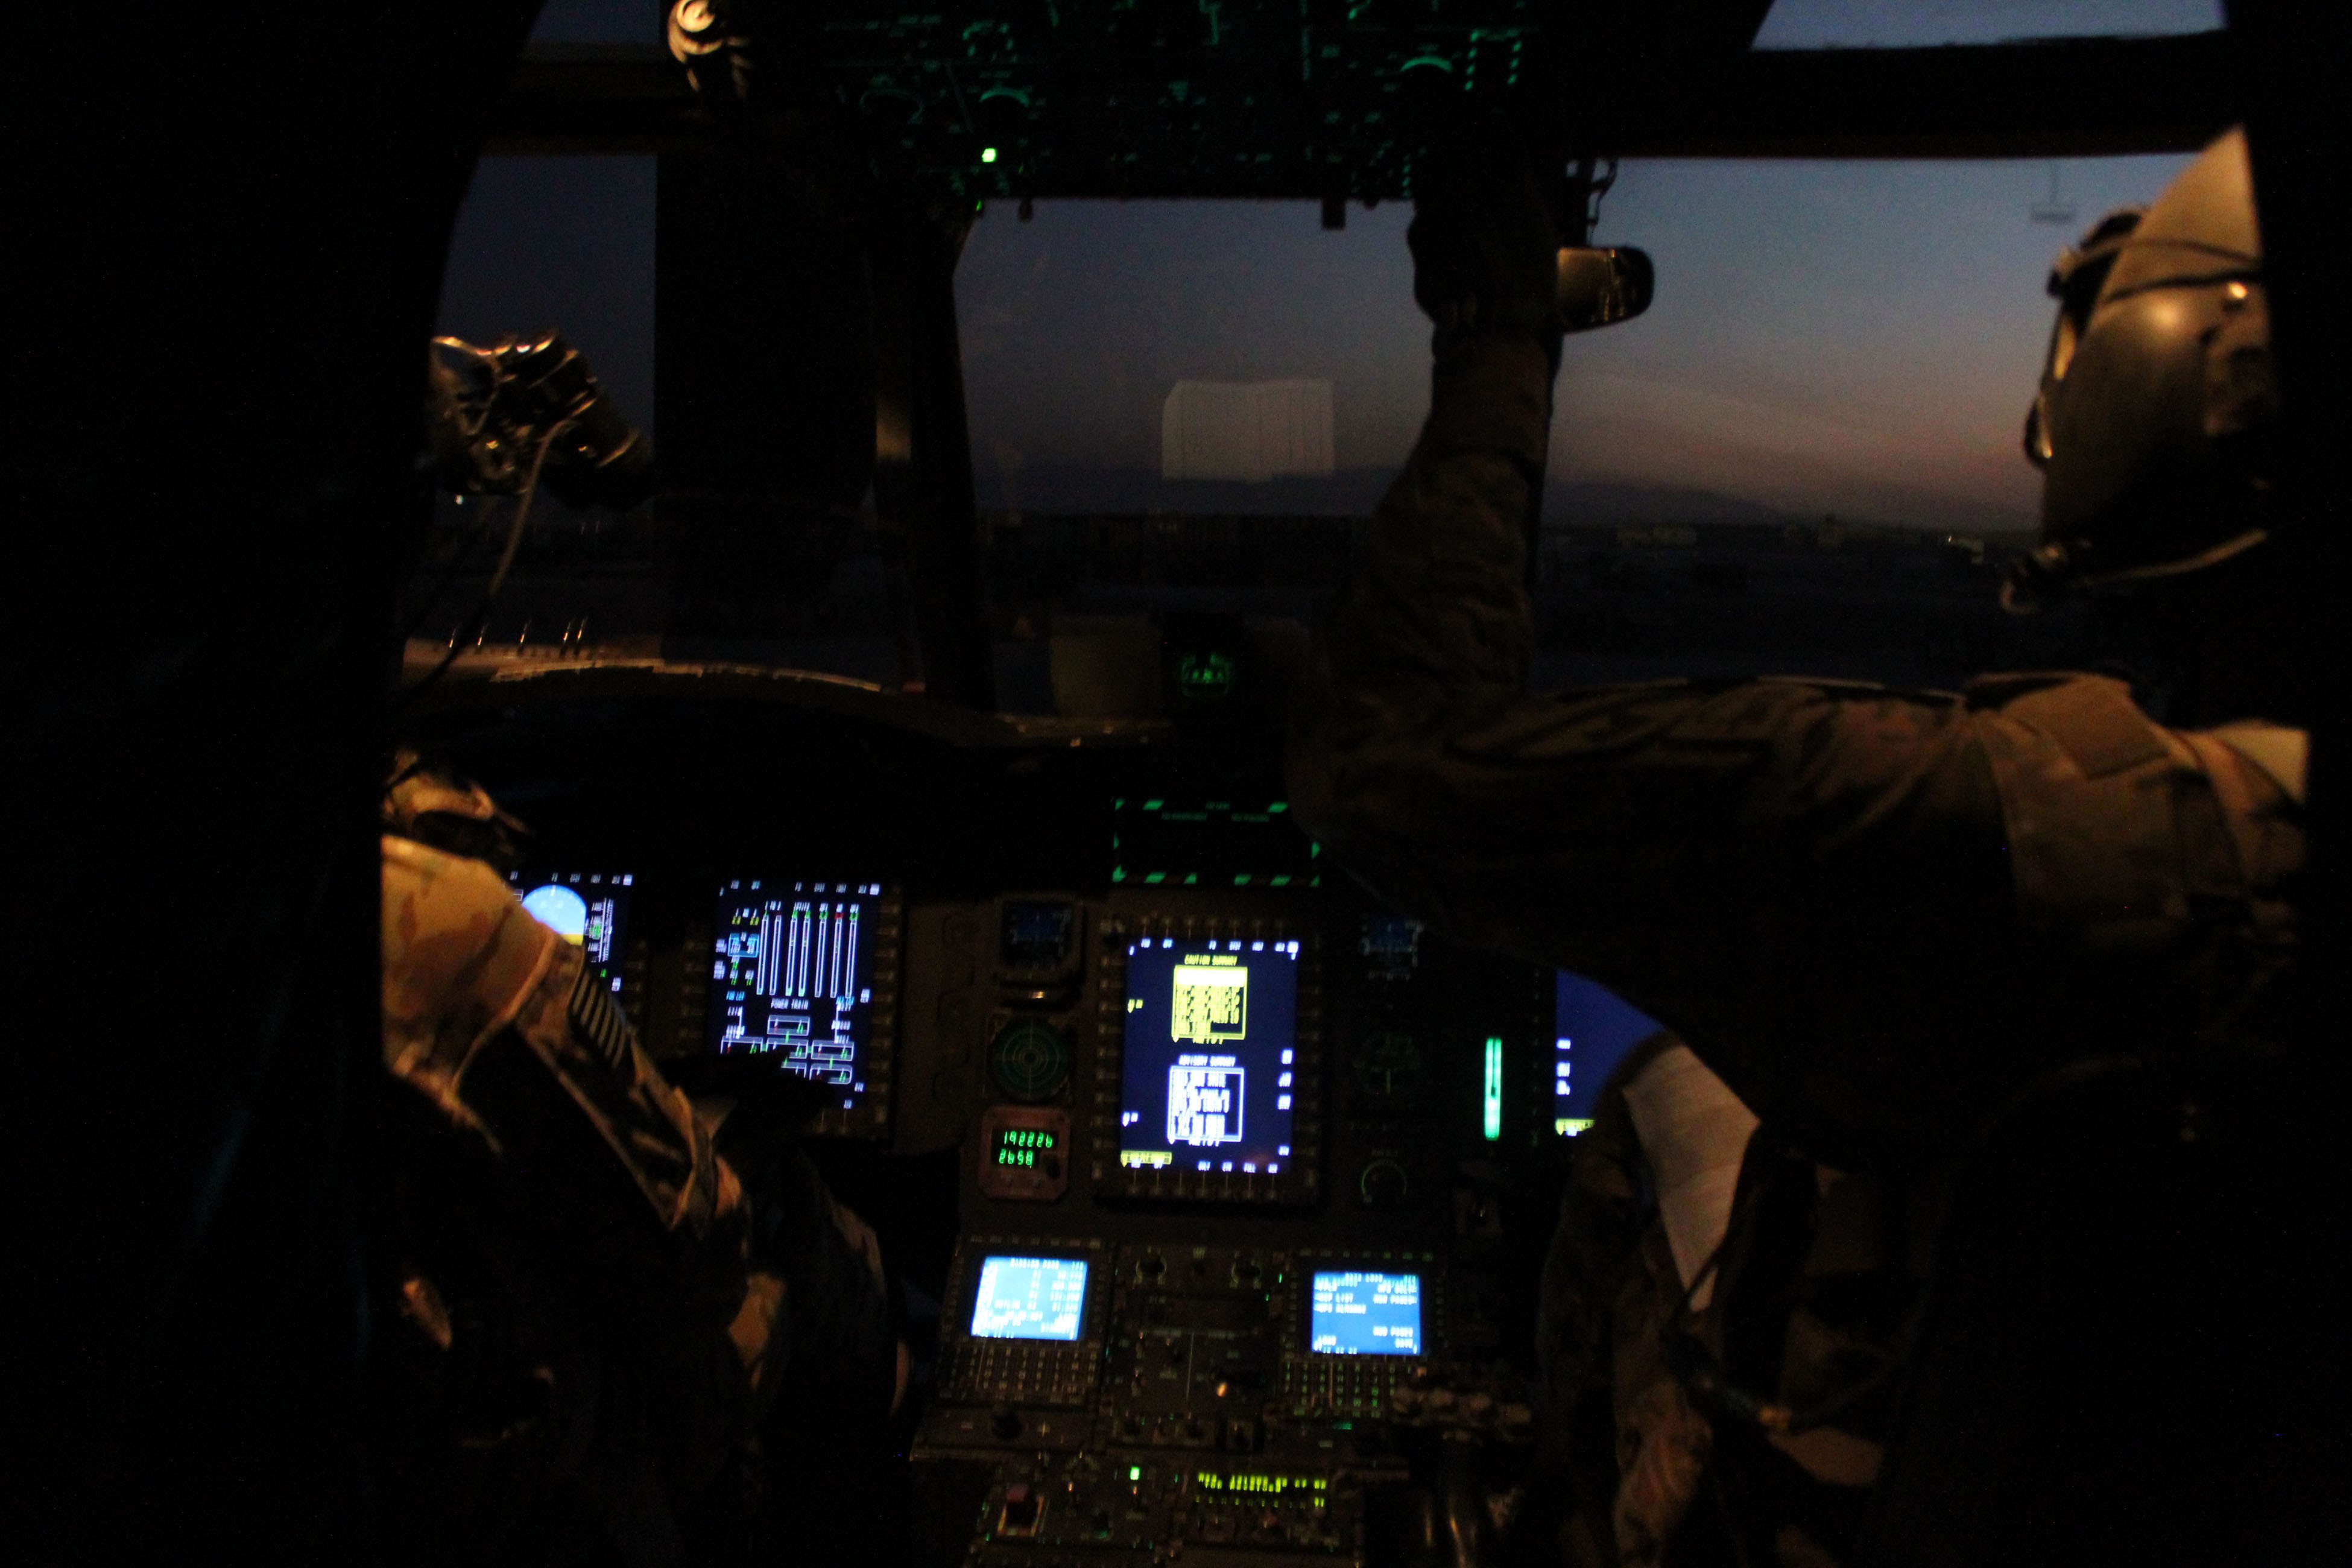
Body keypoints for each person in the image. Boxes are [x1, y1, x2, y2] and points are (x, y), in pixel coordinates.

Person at [1289, 129, 2311, 1567]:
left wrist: (1499, 326)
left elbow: (1380, 766)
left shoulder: (1960, 821)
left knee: (1661, 1100)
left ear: (2150, 383)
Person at [375, 751, 902, 1566]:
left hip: (303, 1428)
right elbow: (695, 1258)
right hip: (467, 1464)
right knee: (776, 1231)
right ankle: (891, 1454)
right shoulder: (428, 912)